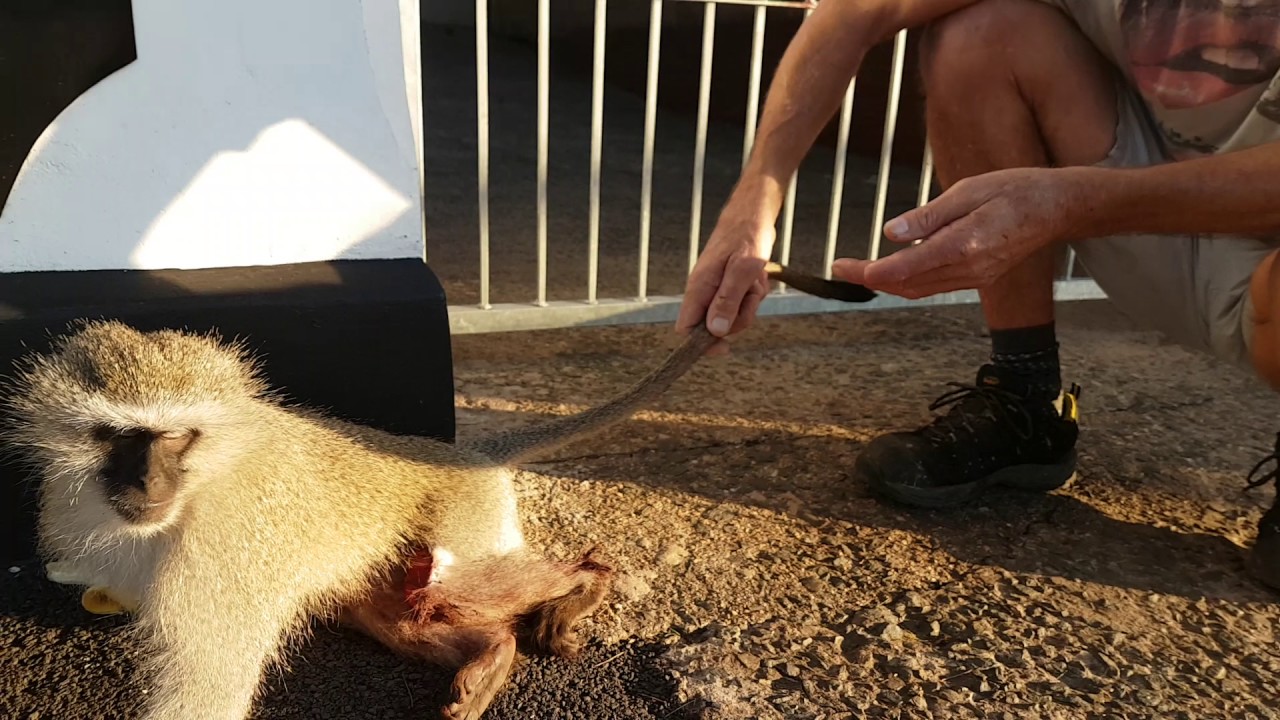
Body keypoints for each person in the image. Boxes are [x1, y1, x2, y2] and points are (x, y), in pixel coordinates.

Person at [675, 0, 1280, 591]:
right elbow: (853, 10)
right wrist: (753, 205)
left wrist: (1069, 200)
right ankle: (1025, 397)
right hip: (1145, 219)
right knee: (984, 29)